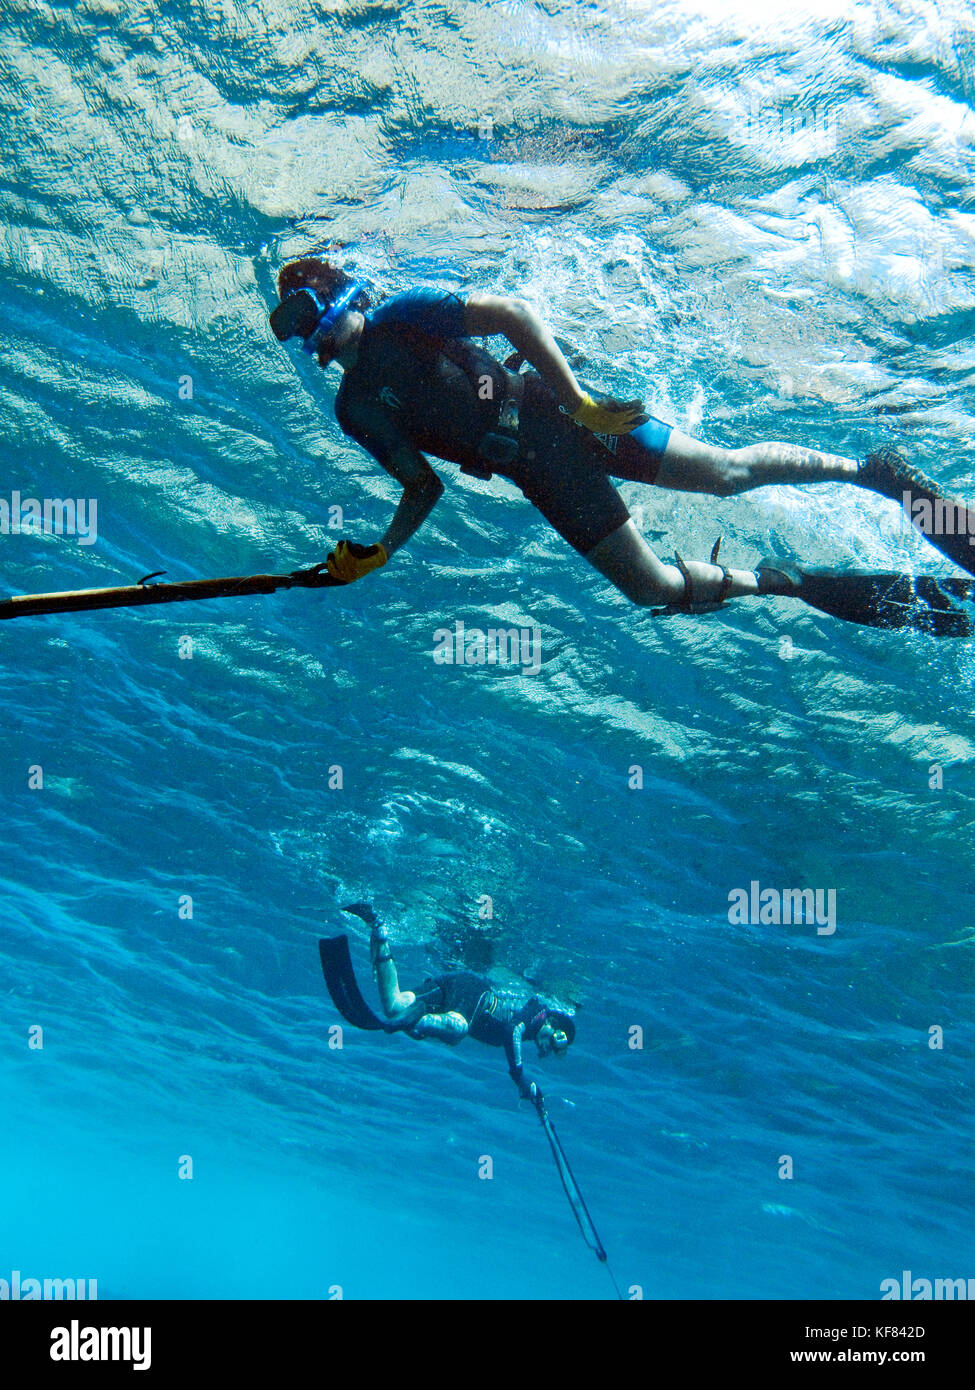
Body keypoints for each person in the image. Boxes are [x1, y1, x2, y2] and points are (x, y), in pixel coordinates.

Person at [269, 256, 975, 633]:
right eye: (290, 321)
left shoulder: (401, 313)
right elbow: (422, 486)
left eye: (303, 306)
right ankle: (779, 582)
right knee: (650, 589)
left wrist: (579, 402)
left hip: (564, 416)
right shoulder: (354, 409)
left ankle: (869, 472)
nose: (304, 329)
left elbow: (513, 314)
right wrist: (383, 550)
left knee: (725, 474)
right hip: (539, 474)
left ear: (336, 292)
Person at [323, 904, 575, 1100]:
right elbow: (512, 1030)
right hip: (473, 994)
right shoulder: (538, 1009)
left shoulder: (533, 1028)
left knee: (394, 1006)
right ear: (556, 1027)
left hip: (454, 988)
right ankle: (418, 1018)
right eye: (554, 1045)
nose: (547, 1050)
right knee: (457, 1030)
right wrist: (519, 1077)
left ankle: (377, 926)